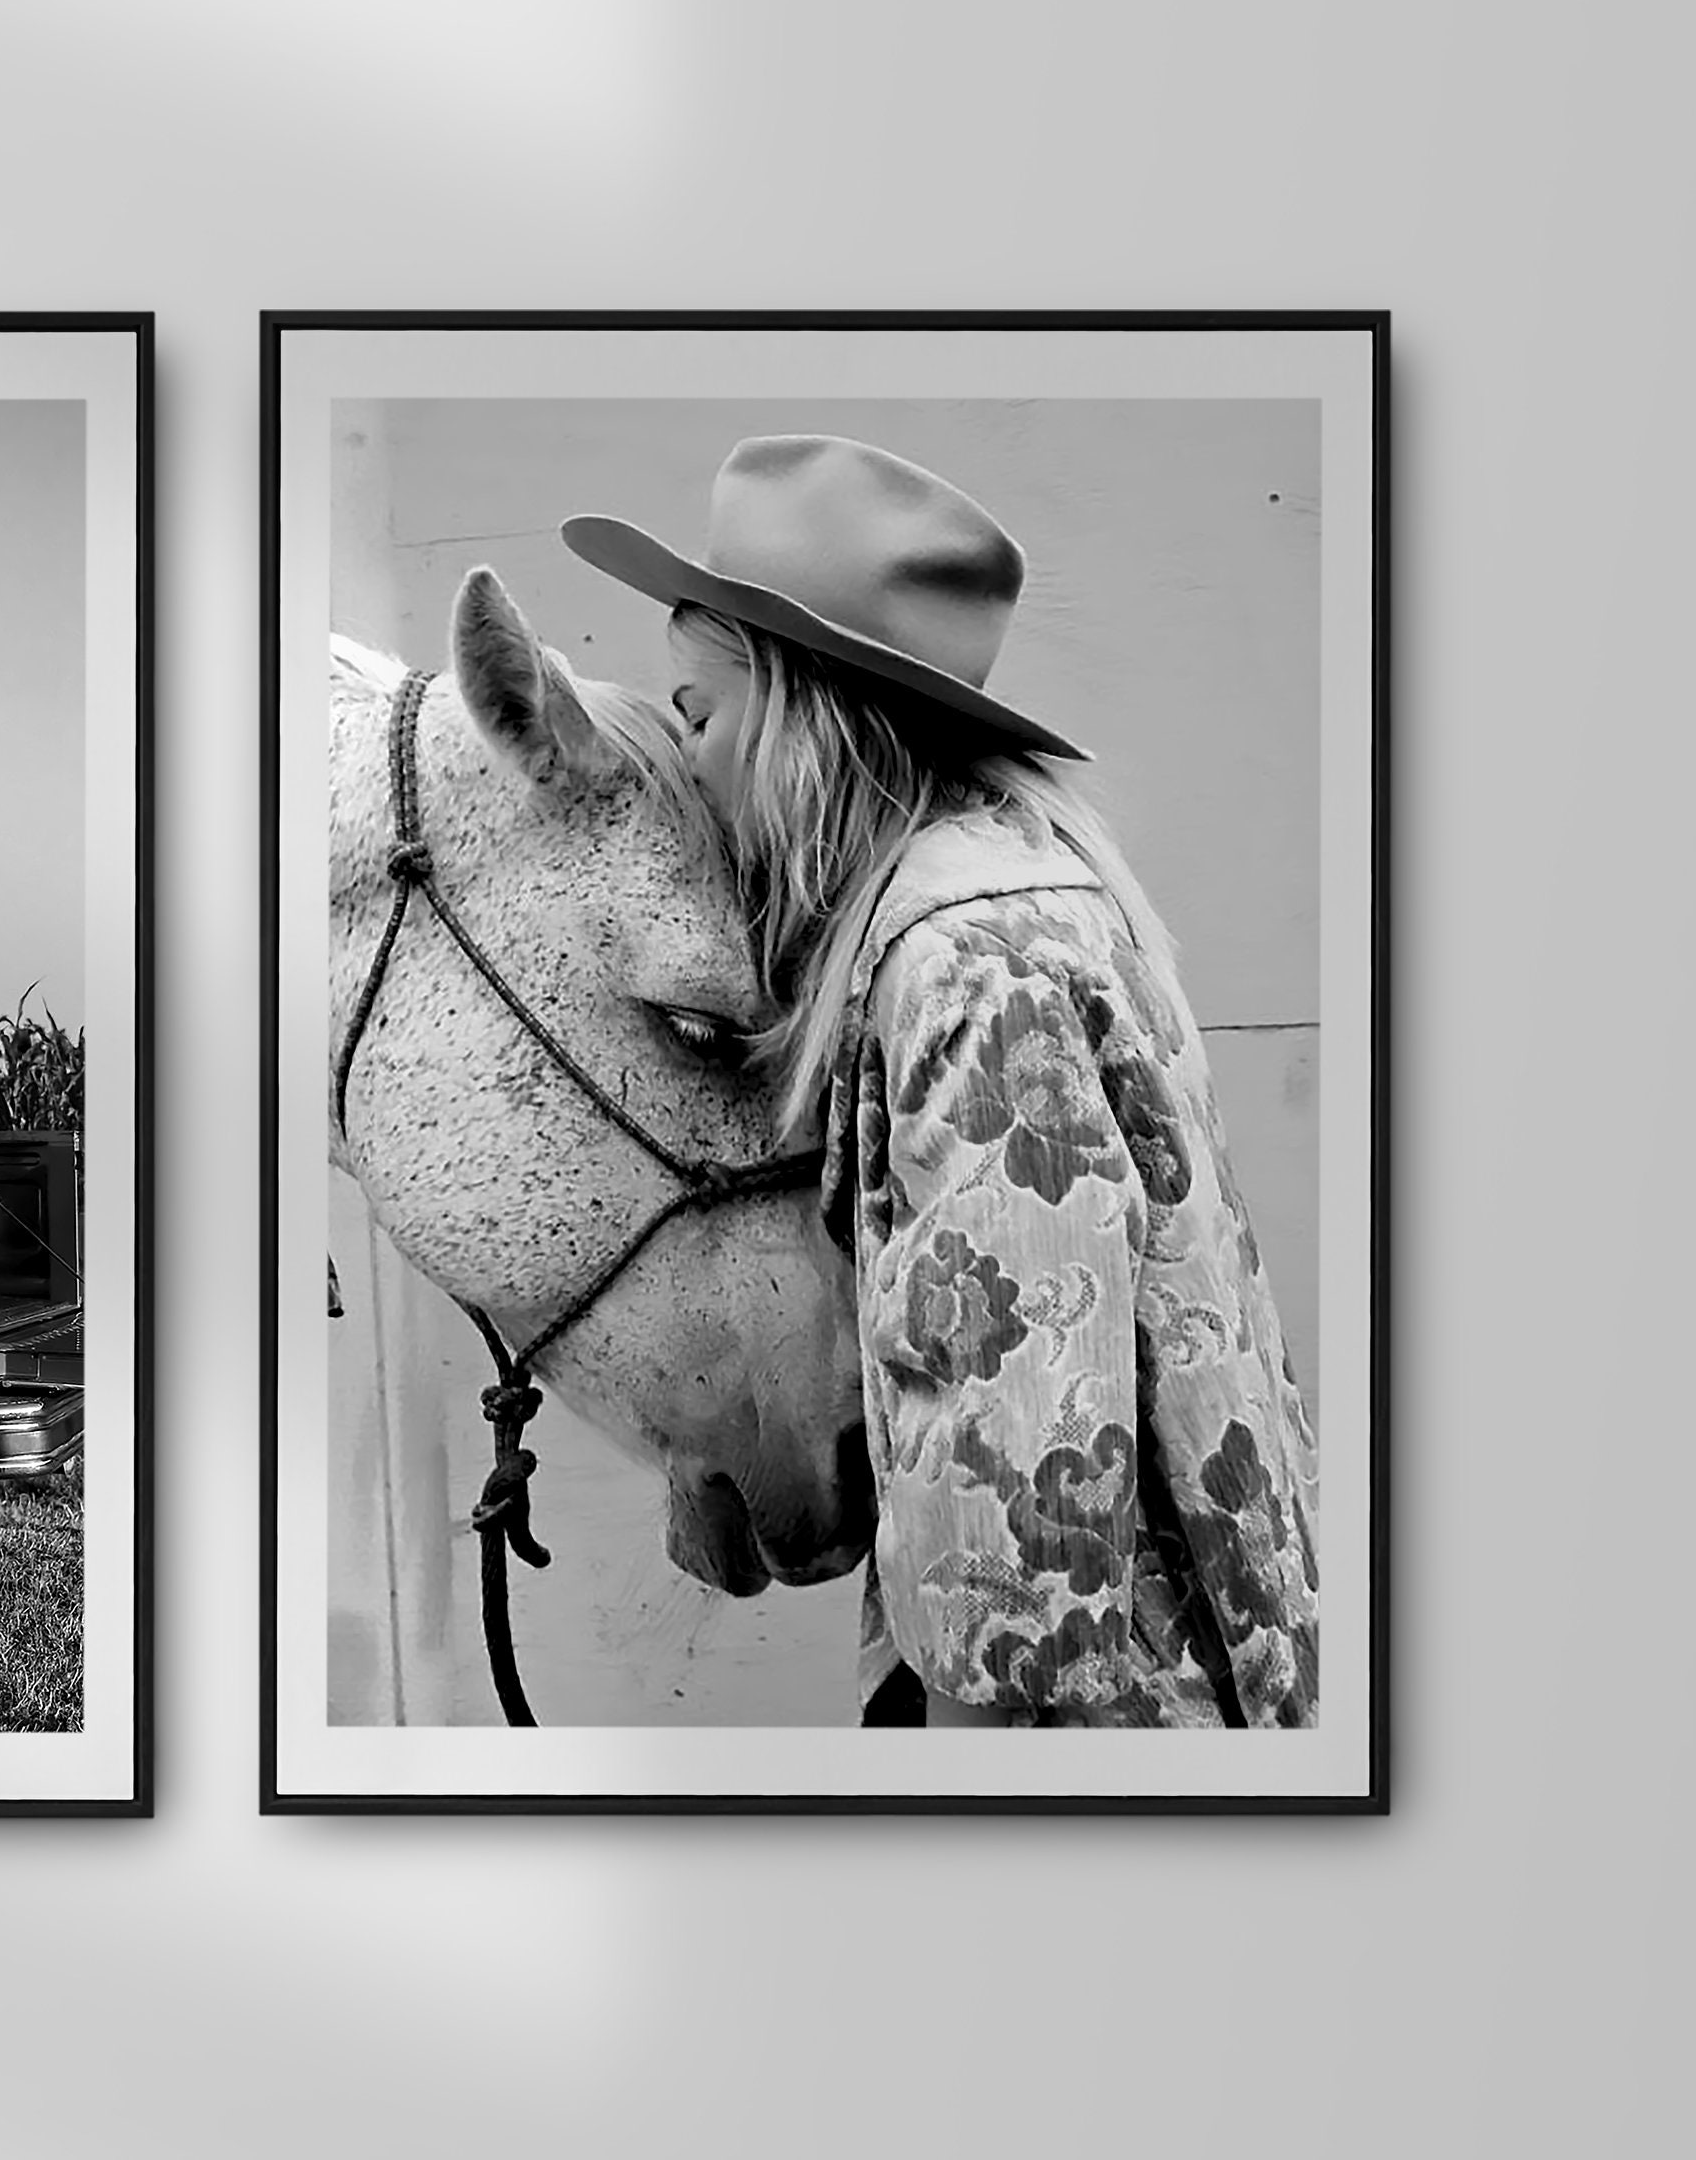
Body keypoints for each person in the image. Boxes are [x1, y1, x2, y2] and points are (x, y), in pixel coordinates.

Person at [563, 436, 1319, 1728]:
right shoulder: (1011, 900)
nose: (680, 762)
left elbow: (1026, 1562)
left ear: (796, 720)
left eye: (696, 714)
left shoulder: (970, 979)